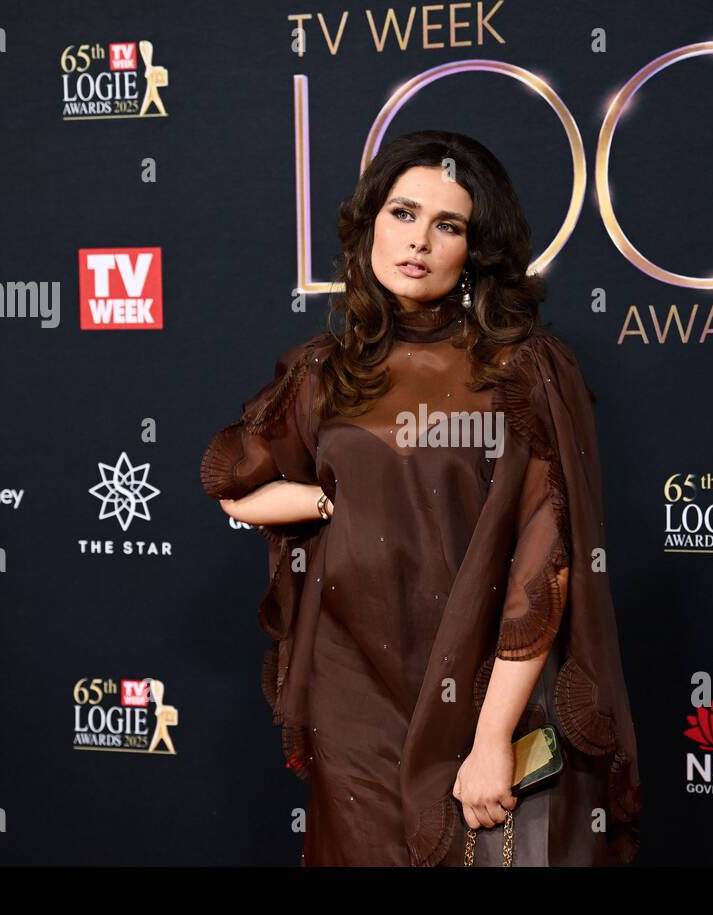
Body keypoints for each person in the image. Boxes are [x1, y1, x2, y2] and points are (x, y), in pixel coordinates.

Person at [200, 130, 641, 866]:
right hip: (353, 698)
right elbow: (236, 491)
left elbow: (546, 564)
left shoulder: (520, 371)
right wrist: (324, 504)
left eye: (449, 225)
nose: (419, 241)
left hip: (478, 692)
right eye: (403, 214)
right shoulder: (323, 374)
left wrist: (493, 737)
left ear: (477, 248)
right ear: (370, 222)